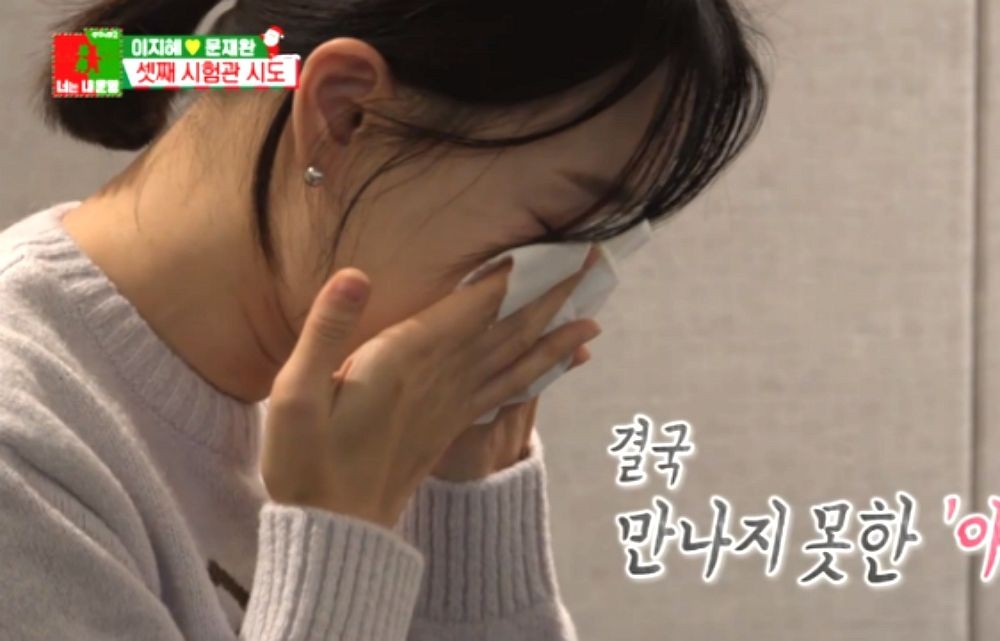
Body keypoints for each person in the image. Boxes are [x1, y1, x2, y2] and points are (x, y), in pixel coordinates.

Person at [0, 0, 768, 639]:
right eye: (558, 226)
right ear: (346, 113)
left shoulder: (367, 409)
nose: (570, 285)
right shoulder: (26, 451)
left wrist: (468, 504)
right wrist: (337, 539)